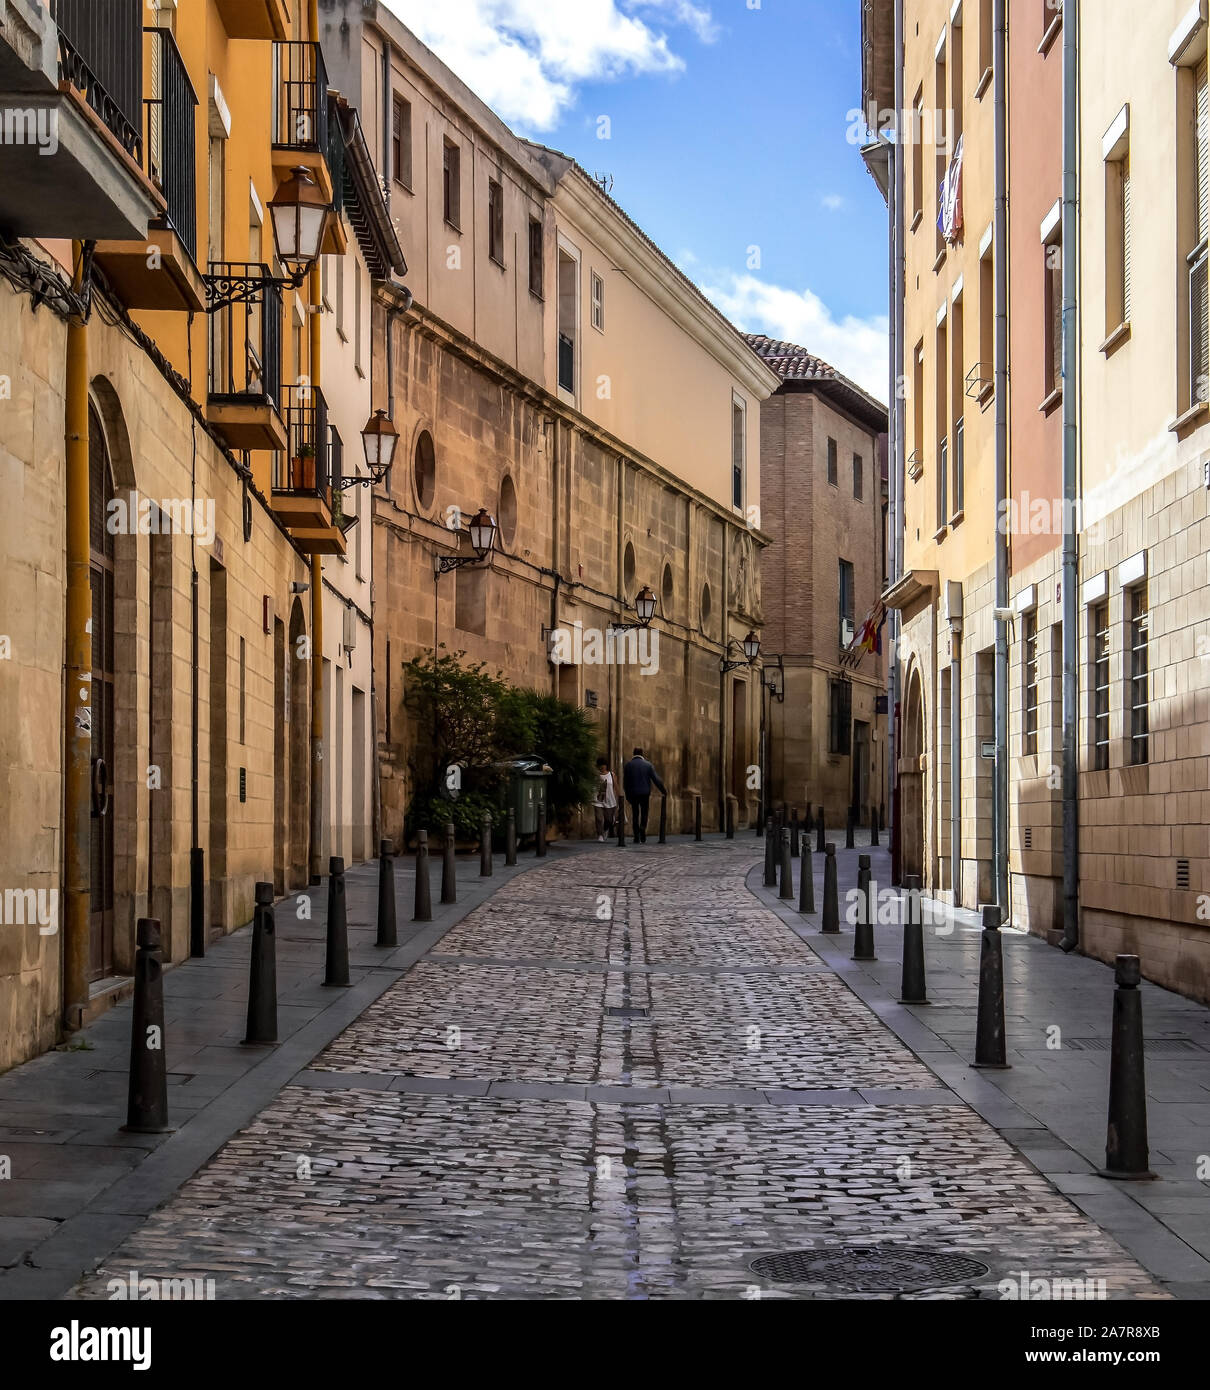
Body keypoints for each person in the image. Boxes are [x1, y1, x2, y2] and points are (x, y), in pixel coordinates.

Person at [622, 747, 666, 844]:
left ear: (633, 754)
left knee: (635, 814)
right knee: (644, 813)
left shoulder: (628, 765)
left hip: (633, 793)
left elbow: (625, 783)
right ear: (642, 754)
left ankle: (636, 836)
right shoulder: (648, 765)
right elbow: (656, 780)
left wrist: (627, 795)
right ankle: (642, 828)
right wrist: (663, 791)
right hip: (644, 793)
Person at [592, 757, 618, 842]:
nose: (602, 767)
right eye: (600, 765)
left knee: (609, 820)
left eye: (604, 765)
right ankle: (600, 834)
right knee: (599, 818)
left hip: (609, 800)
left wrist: (619, 797)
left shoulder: (612, 774)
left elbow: (616, 786)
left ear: (606, 766)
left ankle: (606, 830)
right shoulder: (595, 775)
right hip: (598, 800)